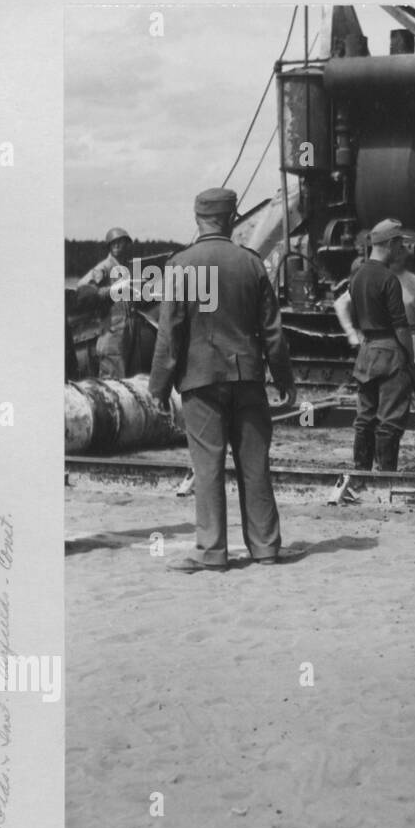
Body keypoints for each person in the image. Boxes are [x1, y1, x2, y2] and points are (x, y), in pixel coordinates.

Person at [149, 188, 297, 573]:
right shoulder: (251, 264)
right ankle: (265, 548)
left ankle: (212, 551)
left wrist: (158, 388)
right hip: (247, 378)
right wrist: (284, 378)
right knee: (254, 463)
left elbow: (170, 335)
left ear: (197, 218)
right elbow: (273, 333)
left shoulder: (182, 265)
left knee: (208, 465)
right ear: (232, 219)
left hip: (200, 380)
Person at [337, 229, 415, 428]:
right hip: (384, 348)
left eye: (404, 249)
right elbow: (341, 304)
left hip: (411, 347)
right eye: (398, 249)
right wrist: (353, 335)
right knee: (381, 411)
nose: (401, 254)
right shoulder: (372, 279)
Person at [335, 219, 415, 473]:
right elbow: (401, 325)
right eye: (399, 244)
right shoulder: (389, 279)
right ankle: (386, 475)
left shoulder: (357, 276)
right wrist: (409, 356)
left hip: (366, 350)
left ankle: (360, 471)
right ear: (390, 244)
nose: (401, 249)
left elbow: (351, 311)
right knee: (390, 420)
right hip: (390, 352)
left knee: (365, 417)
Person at [76, 226, 136, 377]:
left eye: (120, 242)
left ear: (127, 244)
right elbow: (83, 290)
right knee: (113, 383)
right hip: (110, 333)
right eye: (112, 243)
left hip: (126, 334)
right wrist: (112, 290)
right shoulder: (105, 267)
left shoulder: (125, 268)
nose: (116, 245)